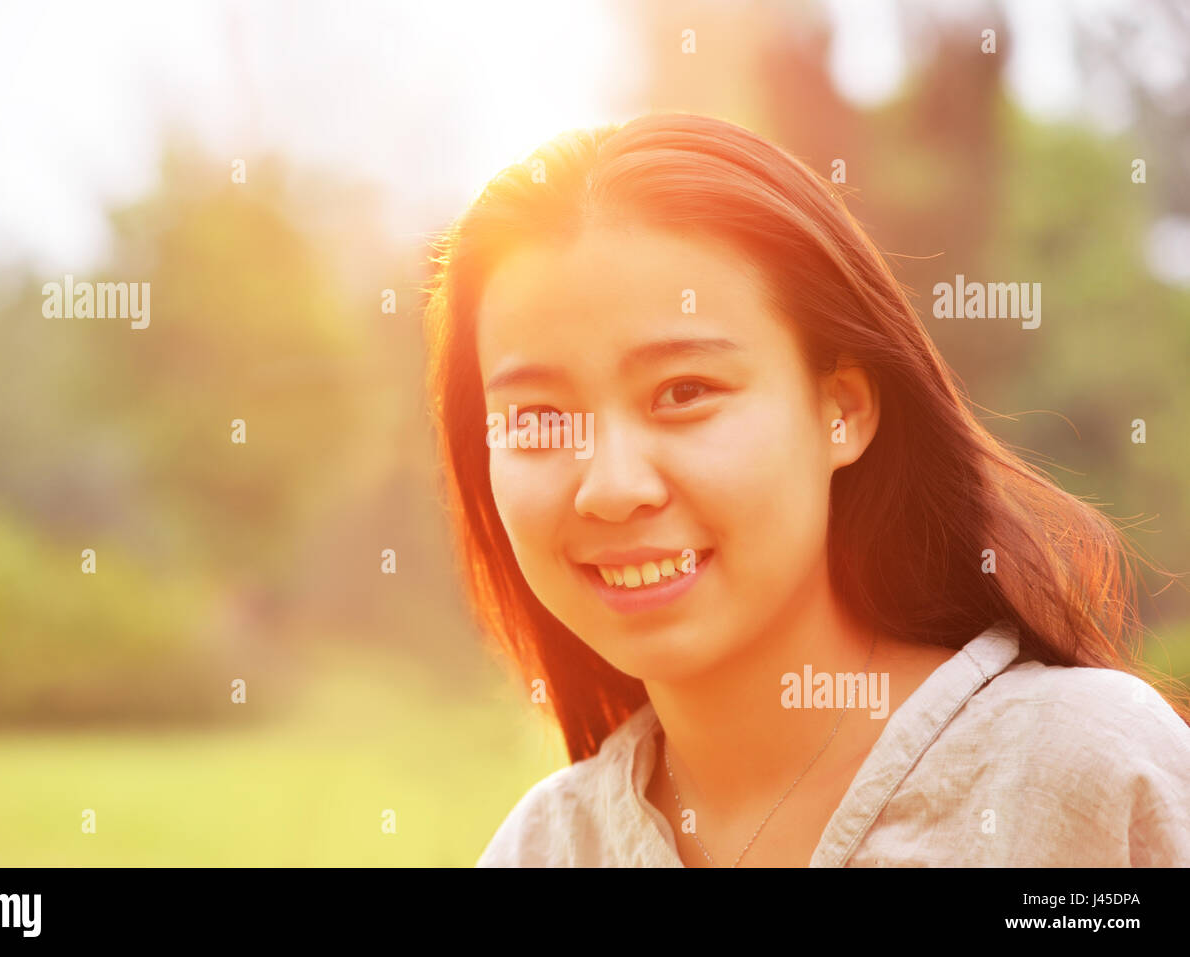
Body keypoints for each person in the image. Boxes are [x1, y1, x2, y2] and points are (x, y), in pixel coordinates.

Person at [421, 112, 1190, 867]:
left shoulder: (1086, 781)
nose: (613, 487)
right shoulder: (541, 850)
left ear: (842, 409)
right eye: (540, 418)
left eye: (684, 390)